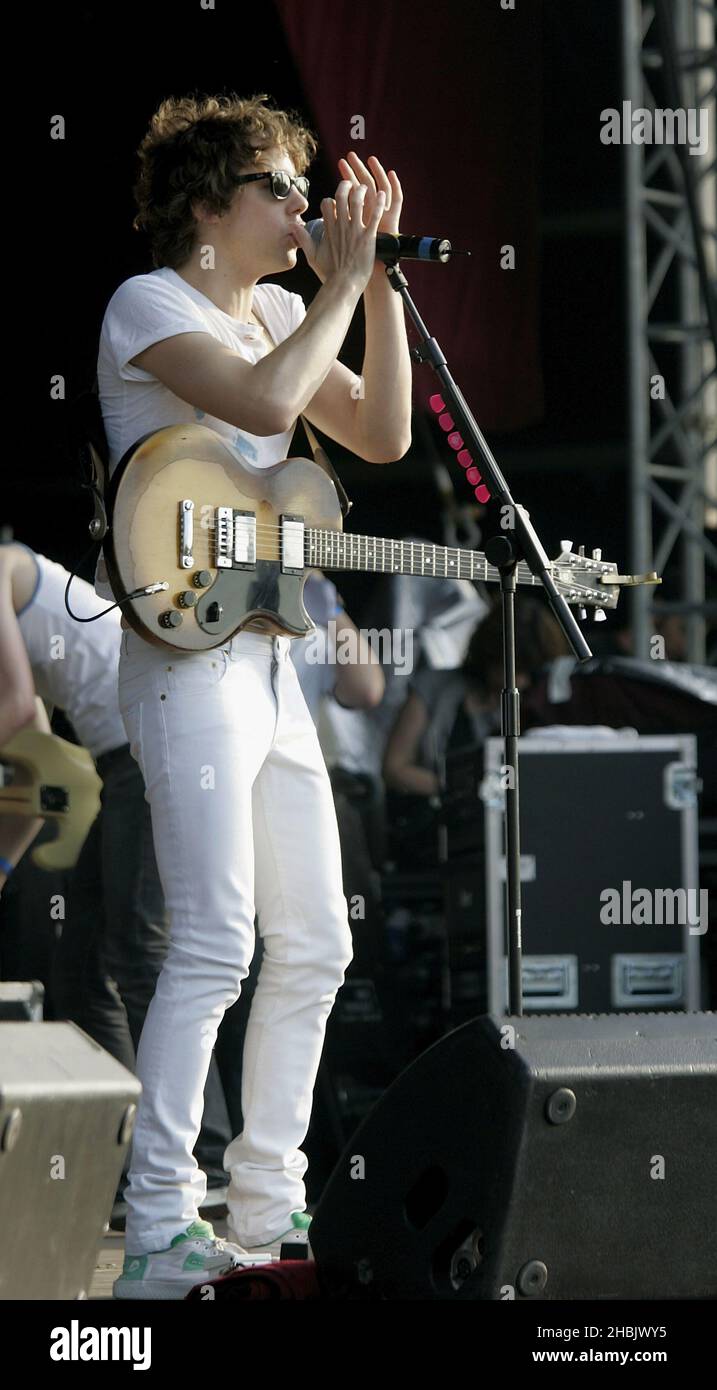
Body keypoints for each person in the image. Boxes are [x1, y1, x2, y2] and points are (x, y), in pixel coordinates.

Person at [95, 92, 412, 1298]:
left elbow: (380, 436)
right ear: (206, 205)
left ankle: (270, 1204)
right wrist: (337, 284)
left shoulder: (286, 303)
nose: (300, 207)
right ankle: (162, 1217)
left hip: (267, 658)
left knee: (319, 937)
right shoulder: (150, 305)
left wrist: (369, 284)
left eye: (304, 187)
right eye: (278, 188)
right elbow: (271, 406)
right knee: (217, 935)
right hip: (180, 656)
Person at [0, 541, 234, 1216]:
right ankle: (135, 1164)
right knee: (82, 969)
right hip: (122, 759)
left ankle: (203, 1156)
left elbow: (15, 717)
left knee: (141, 956)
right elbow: (39, 769)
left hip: (149, 746)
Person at [383, 596, 570, 797]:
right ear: (490, 654)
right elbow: (394, 768)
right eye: (512, 668)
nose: (520, 681)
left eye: (527, 671)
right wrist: (462, 792)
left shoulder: (542, 705)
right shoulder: (434, 685)